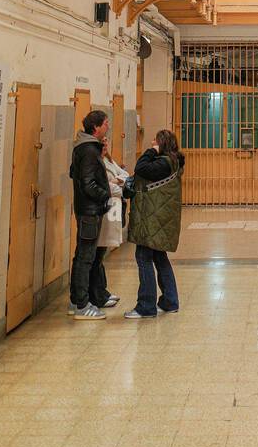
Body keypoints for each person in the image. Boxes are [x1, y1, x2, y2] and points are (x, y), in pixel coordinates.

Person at [124, 129, 185, 319]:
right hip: (158, 217)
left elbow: (140, 168)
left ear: (162, 144)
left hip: (152, 218)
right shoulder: (172, 161)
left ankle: (146, 306)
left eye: (155, 140)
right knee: (159, 257)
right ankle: (169, 301)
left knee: (143, 258)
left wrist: (152, 151)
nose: (151, 142)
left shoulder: (163, 162)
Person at [68, 109, 112, 320]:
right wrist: (105, 195)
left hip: (86, 209)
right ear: (95, 128)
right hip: (89, 211)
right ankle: (82, 305)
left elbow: (73, 173)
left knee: (84, 255)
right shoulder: (88, 151)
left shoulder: (84, 148)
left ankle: (78, 299)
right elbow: (87, 183)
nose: (108, 127)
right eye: (105, 124)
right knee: (86, 257)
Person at [94, 136, 129, 308]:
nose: (106, 144)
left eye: (108, 141)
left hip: (113, 209)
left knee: (101, 252)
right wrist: (117, 184)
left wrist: (117, 182)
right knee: (97, 253)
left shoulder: (108, 160)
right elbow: (108, 188)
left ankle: (102, 291)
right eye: (103, 141)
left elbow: (126, 176)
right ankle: (98, 293)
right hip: (104, 210)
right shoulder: (95, 163)